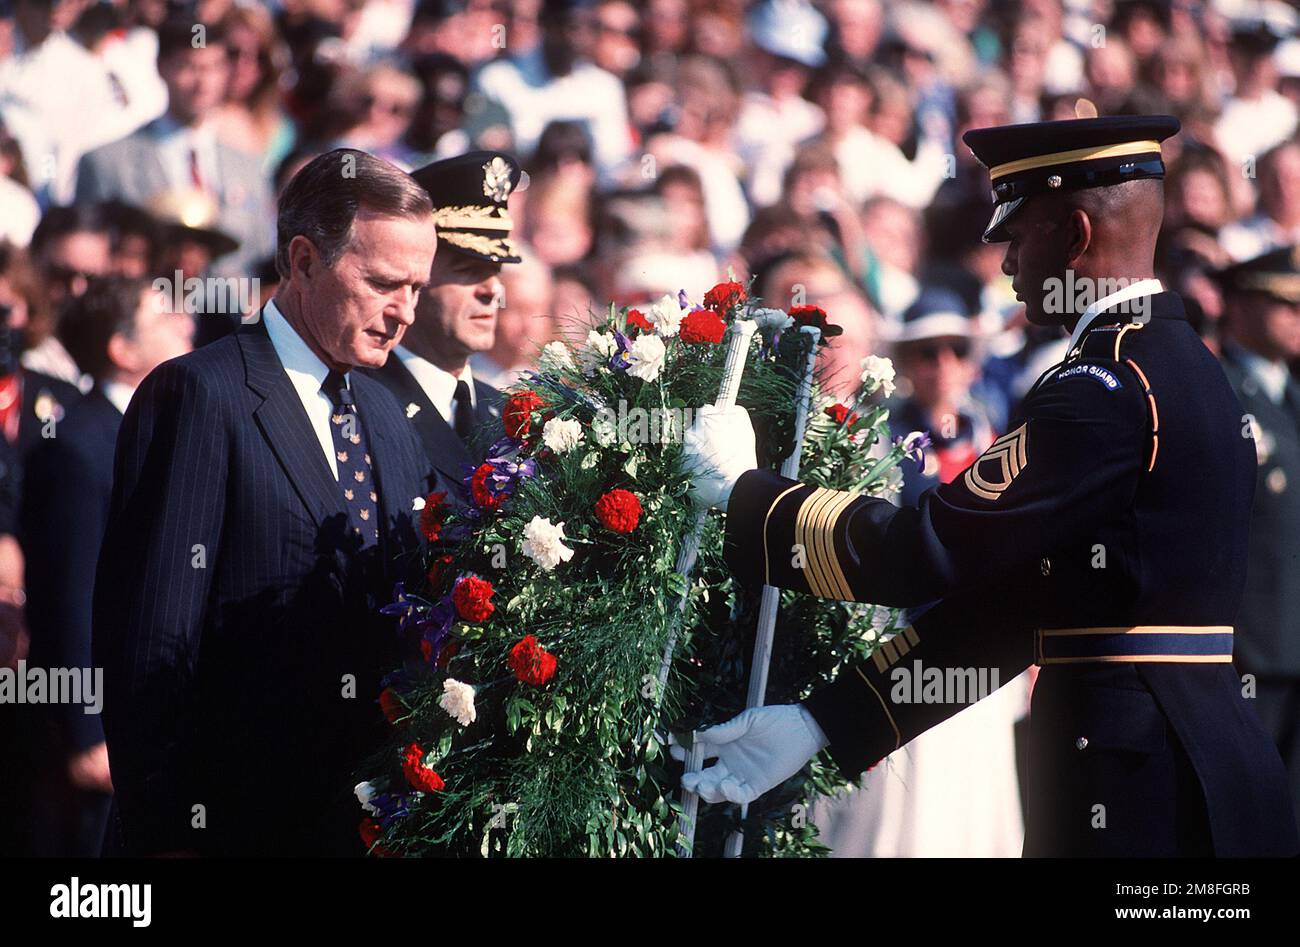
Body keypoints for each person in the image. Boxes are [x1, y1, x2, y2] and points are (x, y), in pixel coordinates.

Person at [678, 115, 1300, 857]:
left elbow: (926, 549)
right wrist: (828, 722)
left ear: (1075, 235)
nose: (1007, 264)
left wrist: (747, 494)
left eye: (1020, 235)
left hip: (1136, 793)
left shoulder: (1100, 387)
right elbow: (1019, 611)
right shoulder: (1189, 367)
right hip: (1193, 770)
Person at [92, 149, 436, 857]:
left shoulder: (387, 418)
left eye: (417, 288)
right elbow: (152, 648)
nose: (403, 312)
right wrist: (167, 836)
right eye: (381, 283)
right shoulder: (199, 395)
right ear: (304, 259)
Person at [21, 276, 192, 857]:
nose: (187, 324)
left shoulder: (175, 427)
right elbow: (66, 596)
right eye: (165, 317)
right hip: (102, 736)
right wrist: (87, 732)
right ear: (122, 349)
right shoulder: (79, 443)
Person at [366, 150, 517, 512]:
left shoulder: (505, 412)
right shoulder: (361, 396)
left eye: (497, 272)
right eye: (468, 269)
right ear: (415, 277)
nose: (492, 291)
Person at [74, 16, 275, 279]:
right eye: (189, 67)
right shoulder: (107, 164)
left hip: (231, 312)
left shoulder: (247, 167)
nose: (202, 82)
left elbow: (263, 256)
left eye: (213, 67)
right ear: (161, 67)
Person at [1214, 246, 1300, 831]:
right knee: (1244, 821)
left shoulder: (1292, 393)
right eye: (1282, 303)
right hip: (1250, 651)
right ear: (1240, 305)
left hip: (1293, 647)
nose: (1297, 317)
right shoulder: (1221, 390)